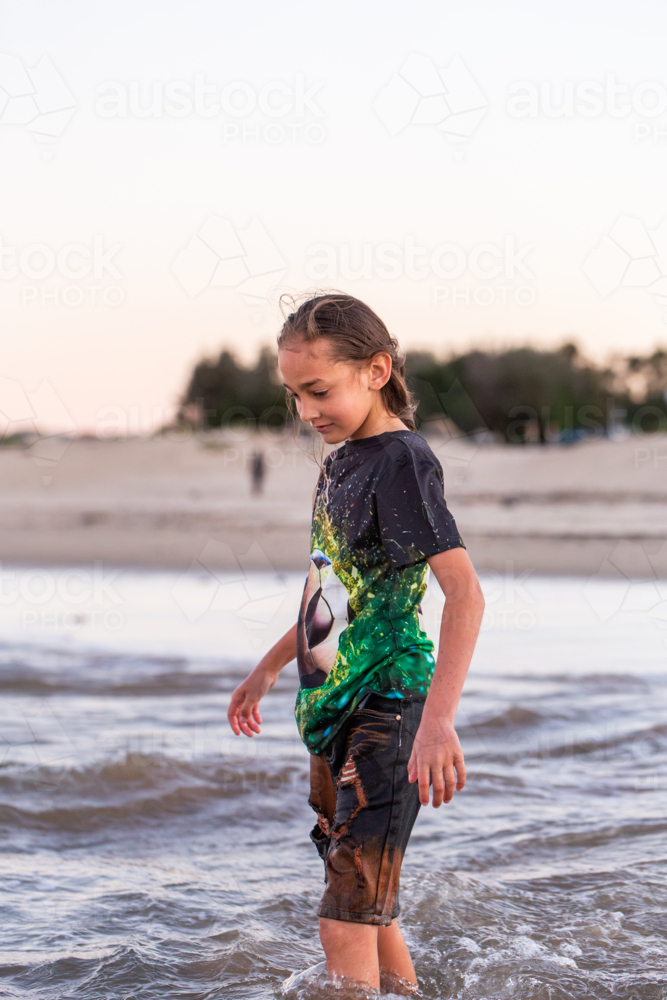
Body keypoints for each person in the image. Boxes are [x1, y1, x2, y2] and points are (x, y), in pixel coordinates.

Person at [227, 293, 485, 993]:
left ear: (375, 370)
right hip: (331, 708)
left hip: (389, 705)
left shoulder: (401, 460)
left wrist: (437, 722)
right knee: (363, 902)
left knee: (343, 913)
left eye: (319, 390)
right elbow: (333, 596)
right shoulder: (340, 462)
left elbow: (463, 593)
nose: (308, 411)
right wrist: (268, 668)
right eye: (294, 396)